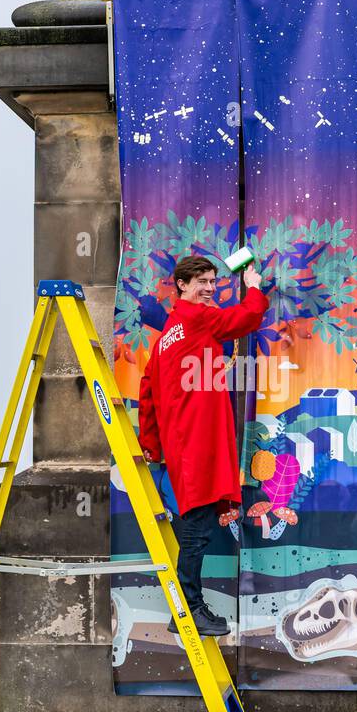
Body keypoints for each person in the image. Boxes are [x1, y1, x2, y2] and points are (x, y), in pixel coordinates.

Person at [138, 254, 268, 637]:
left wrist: (152, 444)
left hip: (184, 441)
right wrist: (255, 285)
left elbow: (147, 390)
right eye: (202, 282)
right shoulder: (196, 318)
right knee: (196, 528)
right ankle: (188, 609)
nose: (210, 288)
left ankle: (188, 607)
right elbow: (244, 319)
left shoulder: (168, 334)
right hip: (197, 441)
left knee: (196, 523)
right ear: (181, 284)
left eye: (213, 281)